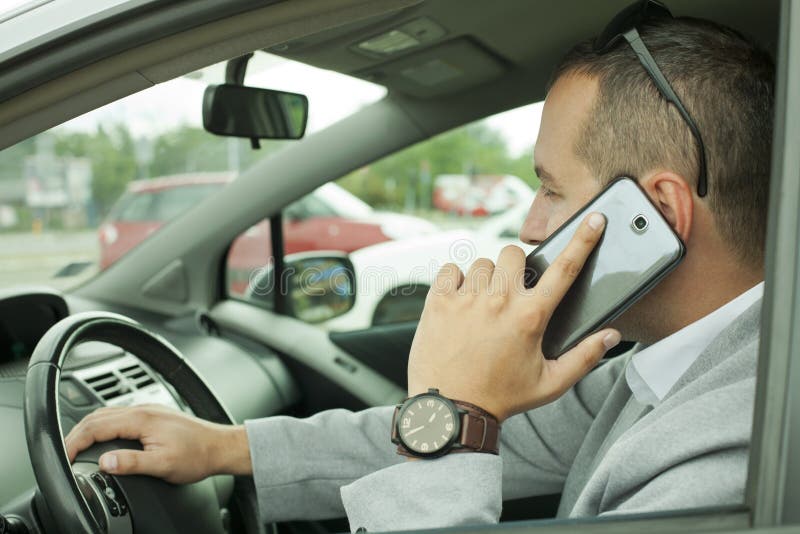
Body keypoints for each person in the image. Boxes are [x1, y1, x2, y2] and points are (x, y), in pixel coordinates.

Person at [64, 4, 774, 532]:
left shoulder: (734, 449)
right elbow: (513, 438)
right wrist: (228, 447)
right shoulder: (667, 365)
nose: (530, 225)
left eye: (552, 188)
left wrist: (458, 409)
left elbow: (462, 434)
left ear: (658, 213)